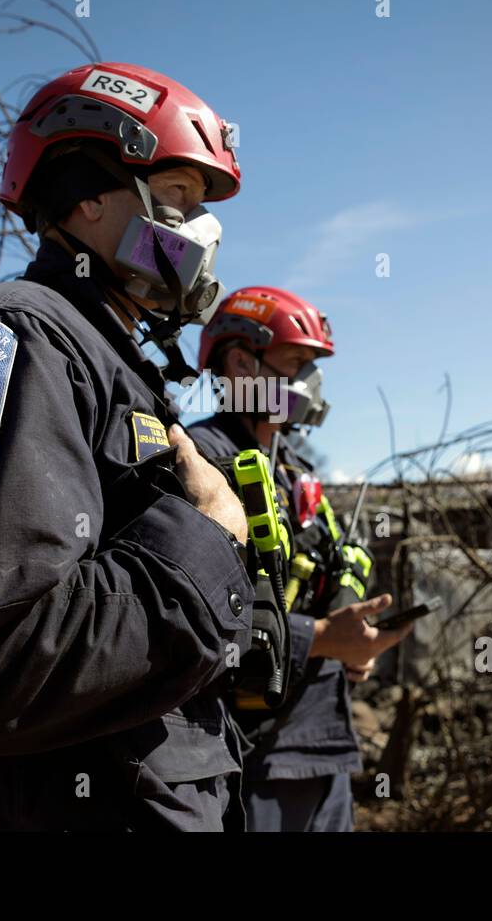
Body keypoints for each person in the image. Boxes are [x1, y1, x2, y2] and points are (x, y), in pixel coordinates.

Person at [0, 62, 258, 830]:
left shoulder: (105, 355)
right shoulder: (17, 341)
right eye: (180, 197)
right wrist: (211, 539)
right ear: (89, 196)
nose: (203, 229)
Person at [187, 286, 412, 831]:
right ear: (241, 363)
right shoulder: (199, 464)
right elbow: (192, 616)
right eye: (296, 364)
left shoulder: (293, 468)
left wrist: (352, 646)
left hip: (320, 744)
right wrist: (320, 638)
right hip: (245, 756)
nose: (310, 384)